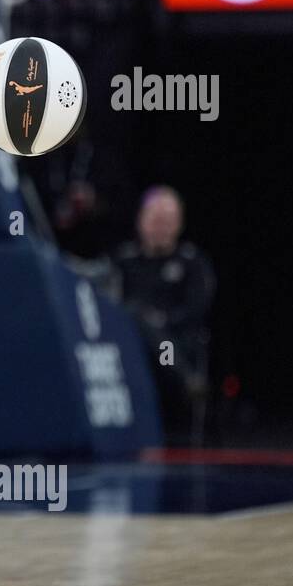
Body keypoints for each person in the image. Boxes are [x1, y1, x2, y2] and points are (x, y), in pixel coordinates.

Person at [112, 186, 215, 442]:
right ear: (141, 220)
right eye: (156, 219)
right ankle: (186, 380)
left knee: (151, 328)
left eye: (168, 220)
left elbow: (197, 308)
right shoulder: (123, 261)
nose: (161, 226)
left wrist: (162, 323)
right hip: (132, 348)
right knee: (135, 315)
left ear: (179, 224)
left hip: (179, 341)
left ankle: (184, 379)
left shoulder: (192, 262)